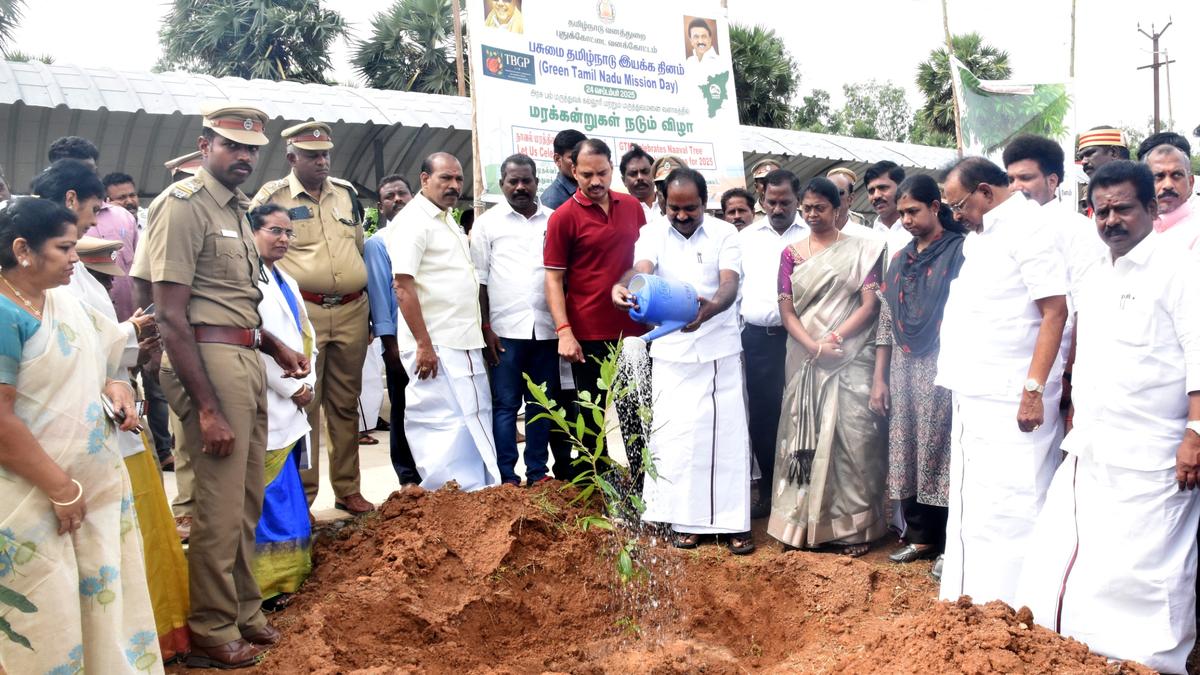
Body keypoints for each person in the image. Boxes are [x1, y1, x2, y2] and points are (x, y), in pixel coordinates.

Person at [1015, 161, 1200, 674]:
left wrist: (1196, 433)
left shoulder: (1179, 269)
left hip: (1157, 448)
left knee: (1151, 565)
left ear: (1150, 208)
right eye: (1101, 210)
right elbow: (1086, 351)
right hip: (1096, 442)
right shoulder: (1096, 271)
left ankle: (1153, 661)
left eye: (1123, 208)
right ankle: (1083, 648)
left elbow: (1198, 352)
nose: (1111, 220)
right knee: (1083, 552)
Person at [144, 103, 310, 669]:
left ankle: (242, 608)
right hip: (206, 361)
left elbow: (233, 301)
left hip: (243, 353)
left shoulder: (239, 209)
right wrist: (208, 408)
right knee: (216, 505)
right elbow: (170, 315)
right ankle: (211, 627)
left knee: (244, 499)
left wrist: (273, 344)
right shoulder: (182, 206)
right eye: (230, 145)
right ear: (204, 144)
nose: (242, 156)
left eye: (249, 148)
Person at [39, 158, 192, 662]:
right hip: (61, 455)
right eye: (93, 208)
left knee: (121, 551)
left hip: (109, 428)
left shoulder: (72, 275)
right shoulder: (40, 289)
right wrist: (132, 333)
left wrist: (121, 368)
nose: (96, 220)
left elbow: (95, 350)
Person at [0, 197, 162, 674]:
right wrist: (60, 488)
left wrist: (116, 386)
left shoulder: (63, 301)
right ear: (23, 249)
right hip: (32, 499)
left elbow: (104, 350)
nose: (76, 258)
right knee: (45, 619)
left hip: (88, 498)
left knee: (100, 610)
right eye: (66, 247)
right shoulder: (6, 313)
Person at [935, 157, 1068, 607]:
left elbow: (1055, 311)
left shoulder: (1029, 228)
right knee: (978, 505)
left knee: (1016, 504)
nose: (955, 217)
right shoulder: (982, 236)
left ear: (986, 193)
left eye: (958, 206)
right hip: (976, 392)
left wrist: (1032, 392)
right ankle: (970, 601)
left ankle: (1017, 608)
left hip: (1013, 396)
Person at [613, 167, 752, 554]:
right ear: (663, 203)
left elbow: (729, 284)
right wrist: (623, 288)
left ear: (704, 204)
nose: (682, 215)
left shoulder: (725, 234)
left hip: (717, 348)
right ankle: (683, 522)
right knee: (676, 439)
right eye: (674, 208)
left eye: (690, 208)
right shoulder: (653, 233)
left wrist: (706, 313)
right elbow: (642, 271)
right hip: (672, 352)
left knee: (724, 439)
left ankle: (734, 525)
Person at [250, 121, 374, 515]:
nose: (322, 161)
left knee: (344, 401)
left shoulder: (346, 194)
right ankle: (304, 496)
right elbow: (257, 247)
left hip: (352, 308)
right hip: (304, 311)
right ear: (292, 158)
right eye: (312, 155)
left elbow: (356, 247)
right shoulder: (273, 196)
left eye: (325, 154)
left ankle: (348, 488)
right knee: (305, 400)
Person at [767, 177, 888, 556]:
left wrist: (832, 341)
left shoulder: (864, 250)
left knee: (853, 440)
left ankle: (855, 530)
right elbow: (787, 310)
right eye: (808, 208)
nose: (813, 214)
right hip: (805, 355)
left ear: (839, 209)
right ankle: (799, 524)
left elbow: (870, 307)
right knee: (802, 436)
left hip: (851, 357)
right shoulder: (791, 253)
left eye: (821, 208)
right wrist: (814, 347)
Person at [390, 152, 500, 491]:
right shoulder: (413, 222)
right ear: (425, 180)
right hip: (434, 344)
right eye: (445, 179)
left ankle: (477, 495)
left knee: (470, 420)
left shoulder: (446, 218)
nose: (453, 185)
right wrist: (423, 344)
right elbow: (402, 286)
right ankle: (449, 496)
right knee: (441, 423)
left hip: (462, 340)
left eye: (458, 179)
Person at [874, 175, 966, 566]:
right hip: (904, 364)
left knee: (941, 447)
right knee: (908, 445)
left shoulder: (960, 252)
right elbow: (886, 318)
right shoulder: (900, 259)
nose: (907, 220)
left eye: (913, 211)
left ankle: (949, 541)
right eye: (902, 213)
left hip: (943, 361)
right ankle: (920, 535)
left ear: (935, 206)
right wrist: (880, 376)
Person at [544, 139, 648, 473]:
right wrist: (564, 332)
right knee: (591, 413)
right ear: (573, 171)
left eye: (602, 173)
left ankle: (642, 478)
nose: (595, 181)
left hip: (635, 331)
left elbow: (648, 261)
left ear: (612, 169)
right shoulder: (563, 218)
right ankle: (593, 482)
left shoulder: (633, 208)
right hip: (588, 334)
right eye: (586, 174)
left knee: (636, 409)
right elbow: (553, 280)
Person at [470, 154, 556, 486]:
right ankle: (506, 476)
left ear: (537, 182)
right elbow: (480, 280)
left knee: (541, 404)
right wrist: (486, 327)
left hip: (547, 330)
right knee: (505, 405)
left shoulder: (554, 220)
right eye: (512, 181)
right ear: (502, 184)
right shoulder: (487, 224)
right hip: (503, 332)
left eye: (526, 181)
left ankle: (537, 472)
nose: (520, 187)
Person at [247, 204, 316, 602]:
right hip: (270, 400)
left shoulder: (285, 278)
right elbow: (255, 345)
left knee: (288, 497)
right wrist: (293, 388)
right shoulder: (248, 280)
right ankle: (269, 588)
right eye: (275, 231)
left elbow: (307, 338)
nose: (284, 239)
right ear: (252, 231)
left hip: (294, 400)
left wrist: (308, 383)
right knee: (271, 500)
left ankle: (292, 580)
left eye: (288, 233)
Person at [738, 169, 808, 517]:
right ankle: (766, 491)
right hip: (758, 341)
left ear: (798, 200)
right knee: (764, 418)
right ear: (761, 200)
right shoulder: (746, 239)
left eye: (785, 202)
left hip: (801, 342)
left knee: (801, 415)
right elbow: (735, 290)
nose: (777, 208)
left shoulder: (813, 236)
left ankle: (800, 494)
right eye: (771, 202)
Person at [364, 174, 420, 485]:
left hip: (432, 337)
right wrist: (391, 343)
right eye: (389, 196)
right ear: (380, 205)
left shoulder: (426, 232)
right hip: (399, 340)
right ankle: (407, 474)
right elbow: (380, 297)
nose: (397, 199)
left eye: (402, 193)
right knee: (401, 406)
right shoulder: (377, 243)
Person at [1145, 144, 1198, 248]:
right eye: (1158, 176)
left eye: (1177, 175)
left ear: (1190, 183)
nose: (1168, 185)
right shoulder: (1136, 229)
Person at [864, 160, 910, 262]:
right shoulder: (867, 238)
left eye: (883, 188)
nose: (876, 196)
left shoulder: (916, 233)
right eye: (871, 191)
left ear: (902, 188)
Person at [540, 129, 587, 210]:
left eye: (585, 156)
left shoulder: (591, 189)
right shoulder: (551, 201)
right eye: (573, 157)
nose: (581, 162)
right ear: (557, 159)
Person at [826, 168, 878, 239]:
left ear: (850, 198)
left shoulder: (866, 236)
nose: (830, 197)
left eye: (837, 192)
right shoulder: (808, 231)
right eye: (826, 192)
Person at [620, 144, 657, 221]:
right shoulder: (618, 212)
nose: (640, 177)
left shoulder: (670, 206)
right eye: (633, 174)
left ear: (655, 175)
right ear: (624, 181)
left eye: (645, 172)